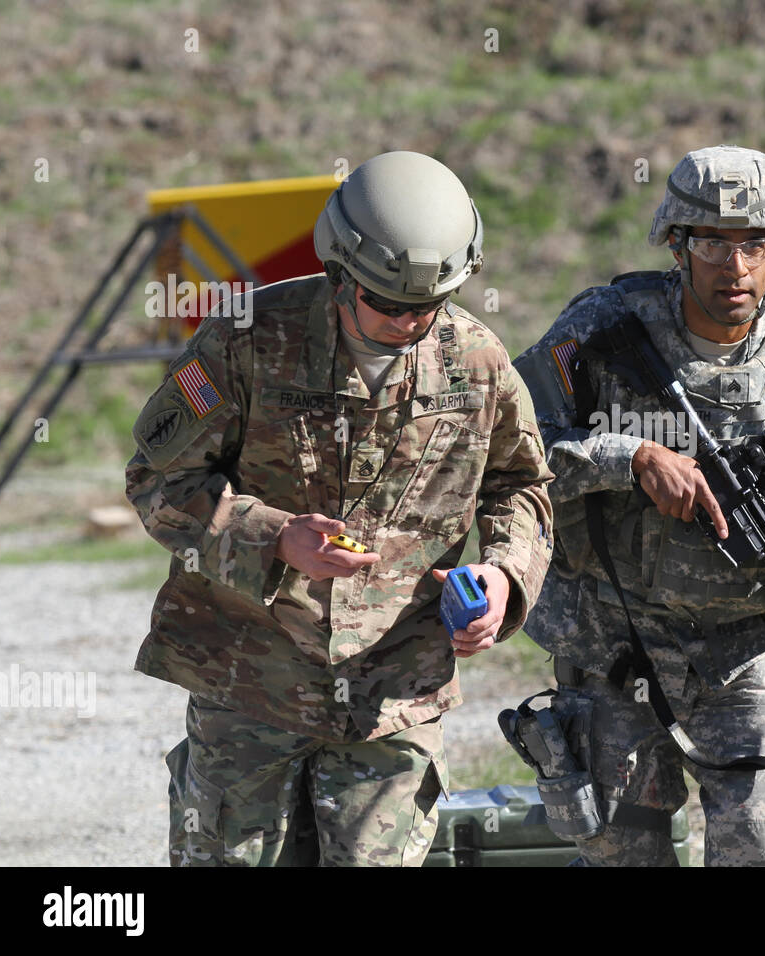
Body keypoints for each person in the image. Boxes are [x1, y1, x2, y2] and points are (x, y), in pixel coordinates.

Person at [127, 150, 554, 866]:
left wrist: (505, 578)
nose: (410, 322)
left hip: (394, 692)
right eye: (388, 303)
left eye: (428, 304)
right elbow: (156, 482)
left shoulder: (478, 363)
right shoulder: (247, 342)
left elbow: (522, 487)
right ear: (340, 271)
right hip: (249, 682)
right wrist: (270, 537)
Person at [512, 145, 765, 866]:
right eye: (714, 244)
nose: (735, 267)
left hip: (744, 652)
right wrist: (626, 459)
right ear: (677, 245)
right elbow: (507, 447)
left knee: (763, 852)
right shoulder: (603, 332)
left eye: (753, 245)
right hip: (617, 646)